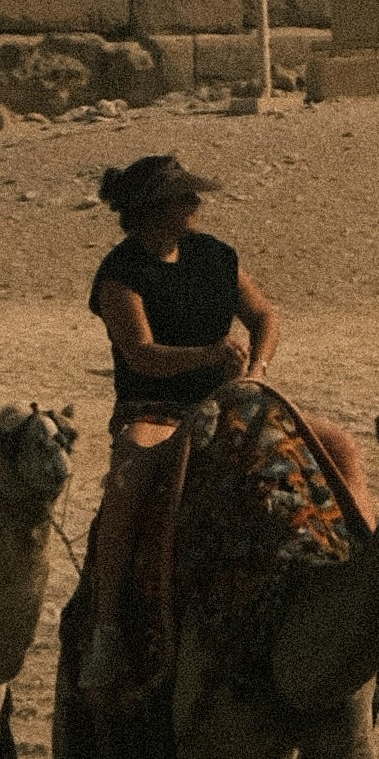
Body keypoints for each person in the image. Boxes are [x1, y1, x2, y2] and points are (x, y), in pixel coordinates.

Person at [80, 154, 275, 699]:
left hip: (231, 399)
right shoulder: (120, 274)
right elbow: (140, 355)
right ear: (151, 209)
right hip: (155, 408)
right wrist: (210, 354)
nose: (195, 204)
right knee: (130, 476)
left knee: (324, 451)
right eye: (182, 197)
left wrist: (255, 372)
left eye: (193, 195)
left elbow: (264, 315)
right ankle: (107, 626)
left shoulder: (217, 256)